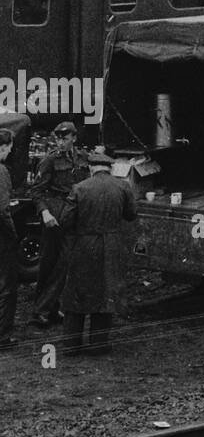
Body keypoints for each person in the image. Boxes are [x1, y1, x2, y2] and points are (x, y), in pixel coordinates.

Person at [59, 150, 137, 355]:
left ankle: (71, 346)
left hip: (84, 245)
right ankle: (98, 345)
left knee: (77, 291)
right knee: (106, 292)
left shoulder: (79, 188)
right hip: (111, 245)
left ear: (91, 168)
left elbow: (65, 221)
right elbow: (131, 215)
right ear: (110, 168)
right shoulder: (123, 186)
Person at [29, 121, 89, 327]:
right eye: (58, 138)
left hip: (72, 214)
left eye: (64, 138)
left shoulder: (83, 158)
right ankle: (43, 311)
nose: (60, 142)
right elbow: (36, 191)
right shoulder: (50, 160)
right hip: (54, 214)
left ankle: (46, 309)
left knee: (64, 263)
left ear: (74, 138)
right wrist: (45, 212)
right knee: (49, 263)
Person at [0, 129, 17, 349]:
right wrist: (13, 234)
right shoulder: (2, 171)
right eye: (9, 147)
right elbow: (3, 210)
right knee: (6, 286)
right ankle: (2, 336)